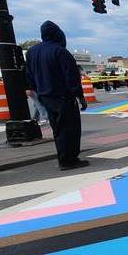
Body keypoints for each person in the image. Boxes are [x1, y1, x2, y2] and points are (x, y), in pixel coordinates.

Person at [25, 20, 88, 170]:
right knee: (70, 128)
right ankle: (69, 159)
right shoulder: (60, 51)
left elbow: (29, 75)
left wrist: (38, 91)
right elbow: (72, 77)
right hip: (62, 96)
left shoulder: (31, 52)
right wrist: (80, 96)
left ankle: (63, 157)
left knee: (57, 129)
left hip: (45, 96)